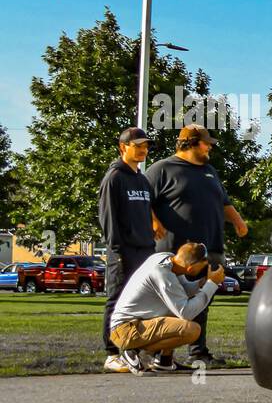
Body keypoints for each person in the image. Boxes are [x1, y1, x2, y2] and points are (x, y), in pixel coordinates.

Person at [146, 125, 248, 368]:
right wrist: (153, 222)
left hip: (210, 248)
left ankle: (198, 353)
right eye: (206, 142)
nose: (210, 146)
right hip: (176, 252)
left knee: (203, 299)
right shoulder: (162, 169)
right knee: (168, 303)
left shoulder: (209, 171)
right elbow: (144, 200)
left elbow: (224, 202)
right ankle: (159, 353)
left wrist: (238, 222)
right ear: (190, 143)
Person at [107, 242, 224, 374]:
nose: (205, 268)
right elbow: (187, 313)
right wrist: (212, 285)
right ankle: (133, 352)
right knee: (192, 330)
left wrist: (202, 283)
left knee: (175, 313)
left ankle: (164, 362)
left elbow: (183, 291)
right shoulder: (163, 274)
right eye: (203, 266)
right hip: (125, 330)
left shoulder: (166, 259)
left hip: (132, 325)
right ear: (190, 269)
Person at [98, 128, 156, 372]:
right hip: (123, 251)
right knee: (116, 298)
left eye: (145, 146)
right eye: (138, 145)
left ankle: (133, 349)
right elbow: (108, 218)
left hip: (145, 250)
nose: (143, 150)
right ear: (123, 147)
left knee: (140, 301)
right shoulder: (114, 178)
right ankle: (111, 353)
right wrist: (117, 250)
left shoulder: (142, 180)